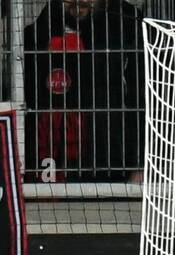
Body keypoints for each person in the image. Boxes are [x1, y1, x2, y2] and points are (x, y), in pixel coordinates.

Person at [23, 0, 145, 183]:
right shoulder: (41, 30)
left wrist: (141, 164)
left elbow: (146, 99)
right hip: (55, 166)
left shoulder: (129, 24)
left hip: (112, 161)